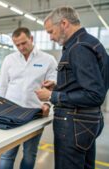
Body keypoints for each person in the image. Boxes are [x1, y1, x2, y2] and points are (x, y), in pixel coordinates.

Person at [35, 6, 109, 169]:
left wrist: (52, 96)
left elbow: (94, 95)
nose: (50, 38)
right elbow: (88, 82)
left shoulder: (78, 48)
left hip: (74, 123)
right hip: (85, 122)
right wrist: (59, 85)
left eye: (50, 32)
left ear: (64, 23)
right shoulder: (90, 43)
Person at [0, 27, 57, 169]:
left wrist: (48, 105)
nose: (21, 47)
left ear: (31, 39)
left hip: (35, 114)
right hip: (10, 114)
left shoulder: (48, 60)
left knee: (30, 154)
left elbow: (54, 87)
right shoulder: (9, 59)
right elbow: (2, 86)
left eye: (24, 43)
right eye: (17, 45)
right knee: (7, 154)